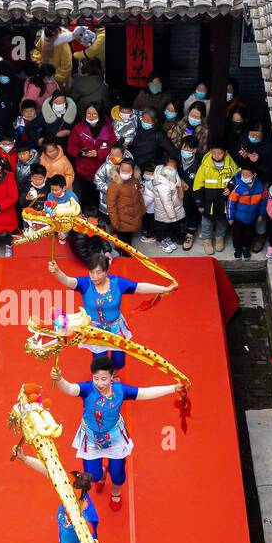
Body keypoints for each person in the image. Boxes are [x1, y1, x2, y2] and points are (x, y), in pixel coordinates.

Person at [51, 355, 185, 510]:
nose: (99, 383)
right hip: (91, 438)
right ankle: (102, 472)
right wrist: (60, 379)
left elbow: (145, 393)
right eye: (96, 378)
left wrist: (173, 388)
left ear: (112, 376)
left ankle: (116, 492)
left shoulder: (121, 390)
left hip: (115, 437)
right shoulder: (88, 389)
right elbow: (69, 388)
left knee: (117, 474)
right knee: (92, 476)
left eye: (104, 378)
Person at [47, 253, 176, 371]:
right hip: (95, 330)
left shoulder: (117, 283)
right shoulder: (85, 283)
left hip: (116, 328)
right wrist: (57, 271)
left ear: (106, 271)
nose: (94, 277)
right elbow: (68, 281)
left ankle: (113, 371)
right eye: (91, 272)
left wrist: (164, 289)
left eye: (98, 273)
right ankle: (106, 377)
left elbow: (139, 287)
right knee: (99, 363)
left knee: (119, 362)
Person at [69, 103, 115, 212]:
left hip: (101, 172)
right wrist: (81, 153)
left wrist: (98, 153)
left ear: (100, 114)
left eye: (94, 114)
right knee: (85, 196)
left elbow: (112, 146)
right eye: (88, 113)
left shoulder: (108, 128)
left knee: (100, 197)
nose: (91, 116)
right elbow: (71, 146)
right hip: (83, 170)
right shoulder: (78, 128)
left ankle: (98, 218)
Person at [193, 143, 238, 254]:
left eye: (220, 153)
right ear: (210, 151)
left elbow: (237, 176)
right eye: (214, 152)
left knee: (222, 221)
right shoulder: (205, 166)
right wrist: (199, 204)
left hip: (224, 202)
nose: (217, 155)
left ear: (225, 152)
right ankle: (206, 240)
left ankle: (219, 238)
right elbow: (197, 185)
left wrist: (230, 187)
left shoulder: (230, 164)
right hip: (209, 201)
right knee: (206, 222)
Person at [226, 160, 267, 260]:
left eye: (247, 175)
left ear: (254, 175)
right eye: (243, 174)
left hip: (251, 217)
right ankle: (237, 249)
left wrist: (261, 214)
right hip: (238, 218)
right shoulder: (238, 187)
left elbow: (263, 202)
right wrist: (230, 217)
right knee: (237, 234)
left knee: (248, 234)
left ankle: (246, 249)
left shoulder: (260, 187)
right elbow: (230, 203)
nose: (244, 177)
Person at [105, 159, 145, 248]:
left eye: (128, 171)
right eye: (123, 171)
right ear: (119, 170)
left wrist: (142, 210)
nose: (125, 173)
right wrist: (115, 222)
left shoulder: (135, 180)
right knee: (123, 244)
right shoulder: (114, 185)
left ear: (133, 171)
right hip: (121, 220)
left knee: (128, 240)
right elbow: (111, 206)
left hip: (133, 218)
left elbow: (139, 195)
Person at [151, 157, 185, 253]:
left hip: (173, 208)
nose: (171, 170)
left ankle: (167, 239)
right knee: (162, 227)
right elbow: (167, 203)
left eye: (174, 168)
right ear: (164, 166)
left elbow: (178, 186)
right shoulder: (162, 183)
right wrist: (172, 216)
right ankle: (161, 241)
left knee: (168, 228)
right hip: (165, 211)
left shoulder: (173, 175)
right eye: (169, 168)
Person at [93, 142, 131, 221]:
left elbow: (136, 181)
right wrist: (108, 189)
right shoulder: (105, 166)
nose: (113, 157)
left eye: (116, 156)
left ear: (123, 155)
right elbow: (97, 179)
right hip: (107, 201)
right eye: (111, 155)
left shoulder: (130, 166)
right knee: (108, 221)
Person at [176, 135, 202, 251]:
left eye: (189, 149)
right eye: (184, 148)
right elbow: (166, 168)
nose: (185, 152)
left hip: (194, 194)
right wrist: (179, 180)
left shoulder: (200, 162)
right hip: (177, 191)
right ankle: (180, 231)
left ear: (195, 150)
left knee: (193, 210)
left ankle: (190, 234)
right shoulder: (175, 157)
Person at [236, 119, 272, 185]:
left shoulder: (269, 144)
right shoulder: (243, 141)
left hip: (265, 180)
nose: (255, 137)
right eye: (252, 135)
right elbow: (237, 162)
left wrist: (259, 158)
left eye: (258, 136)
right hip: (246, 180)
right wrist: (242, 157)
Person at [32, 25, 73, 90]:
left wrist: (54, 79)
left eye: (49, 40)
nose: (47, 41)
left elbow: (67, 66)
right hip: (45, 75)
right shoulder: (43, 38)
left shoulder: (63, 46)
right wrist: (40, 66)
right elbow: (37, 51)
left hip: (58, 80)